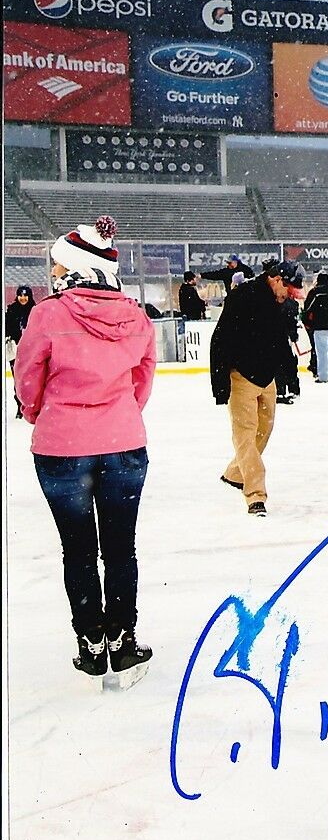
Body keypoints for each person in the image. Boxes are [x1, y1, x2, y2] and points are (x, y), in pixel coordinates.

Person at [15, 217, 156, 686]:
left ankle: (91, 643)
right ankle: (123, 639)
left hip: (62, 448)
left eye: (58, 264)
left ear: (73, 266)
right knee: (120, 549)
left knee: (77, 550)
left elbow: (27, 375)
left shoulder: (48, 315)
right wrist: (120, 415)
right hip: (123, 445)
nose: (53, 270)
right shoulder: (135, 315)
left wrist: (39, 413)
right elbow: (143, 379)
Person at [209, 259, 303, 515]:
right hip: (241, 376)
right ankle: (255, 495)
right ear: (276, 279)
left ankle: (234, 473)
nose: (290, 295)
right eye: (288, 289)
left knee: (264, 429)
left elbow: (280, 342)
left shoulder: (276, 303)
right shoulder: (243, 296)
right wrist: (220, 384)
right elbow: (220, 339)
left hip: (266, 378)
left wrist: (291, 377)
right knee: (245, 435)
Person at [301, 271, 328, 382]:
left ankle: (323, 376)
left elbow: (307, 309)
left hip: (319, 327)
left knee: (322, 353)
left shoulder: (315, 293)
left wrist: (307, 323)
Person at [7, 283, 37, 417]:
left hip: (32, 351)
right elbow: (8, 329)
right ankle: (20, 406)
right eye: (20, 295)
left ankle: (32, 406)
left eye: (25, 295)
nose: (23, 298)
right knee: (18, 380)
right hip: (16, 350)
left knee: (32, 379)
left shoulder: (35, 310)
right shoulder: (12, 310)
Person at [275, 291, 302, 405]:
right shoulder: (292, 304)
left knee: (279, 366)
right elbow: (293, 322)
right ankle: (293, 389)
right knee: (290, 365)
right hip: (287, 339)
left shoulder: (273, 304)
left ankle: (280, 390)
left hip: (277, 338)